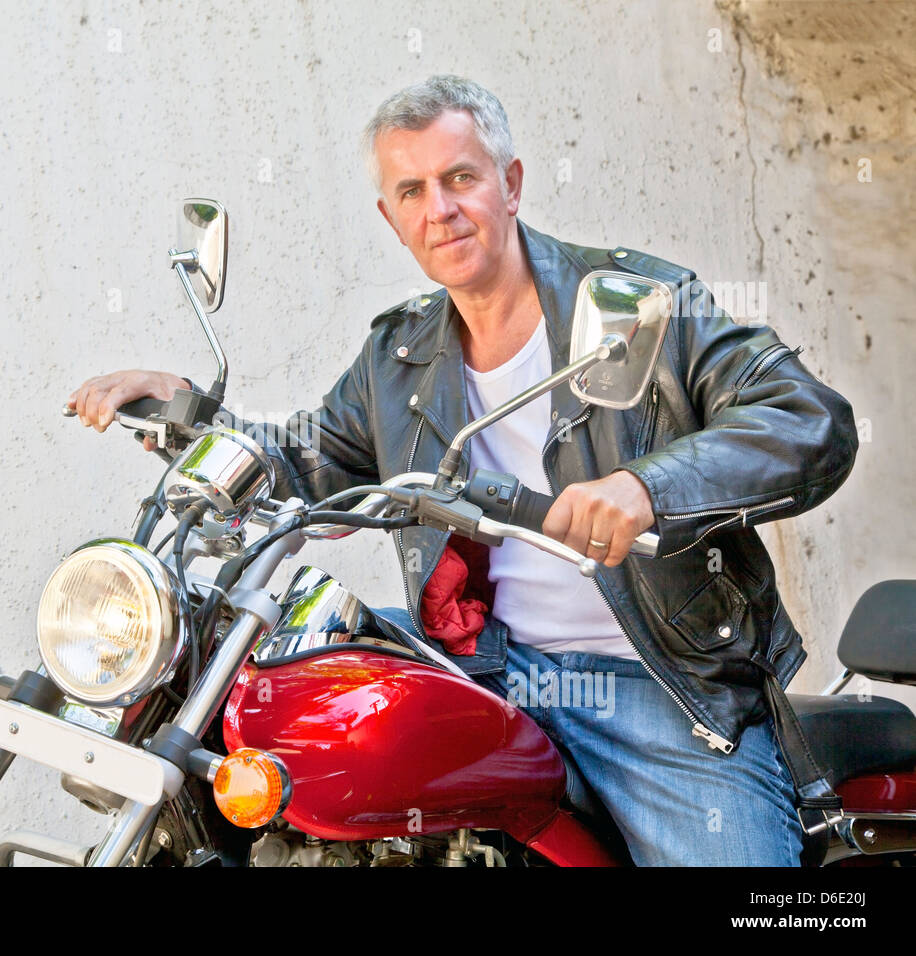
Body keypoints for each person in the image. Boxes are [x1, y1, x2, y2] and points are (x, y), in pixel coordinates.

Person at [66, 75, 858, 866]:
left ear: (509, 184)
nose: (438, 209)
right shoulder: (399, 355)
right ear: (392, 219)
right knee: (273, 694)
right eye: (412, 190)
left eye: (460, 178)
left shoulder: (640, 306)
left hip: (654, 682)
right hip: (478, 661)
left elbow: (808, 420)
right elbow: (308, 465)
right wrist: (197, 417)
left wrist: (650, 487)